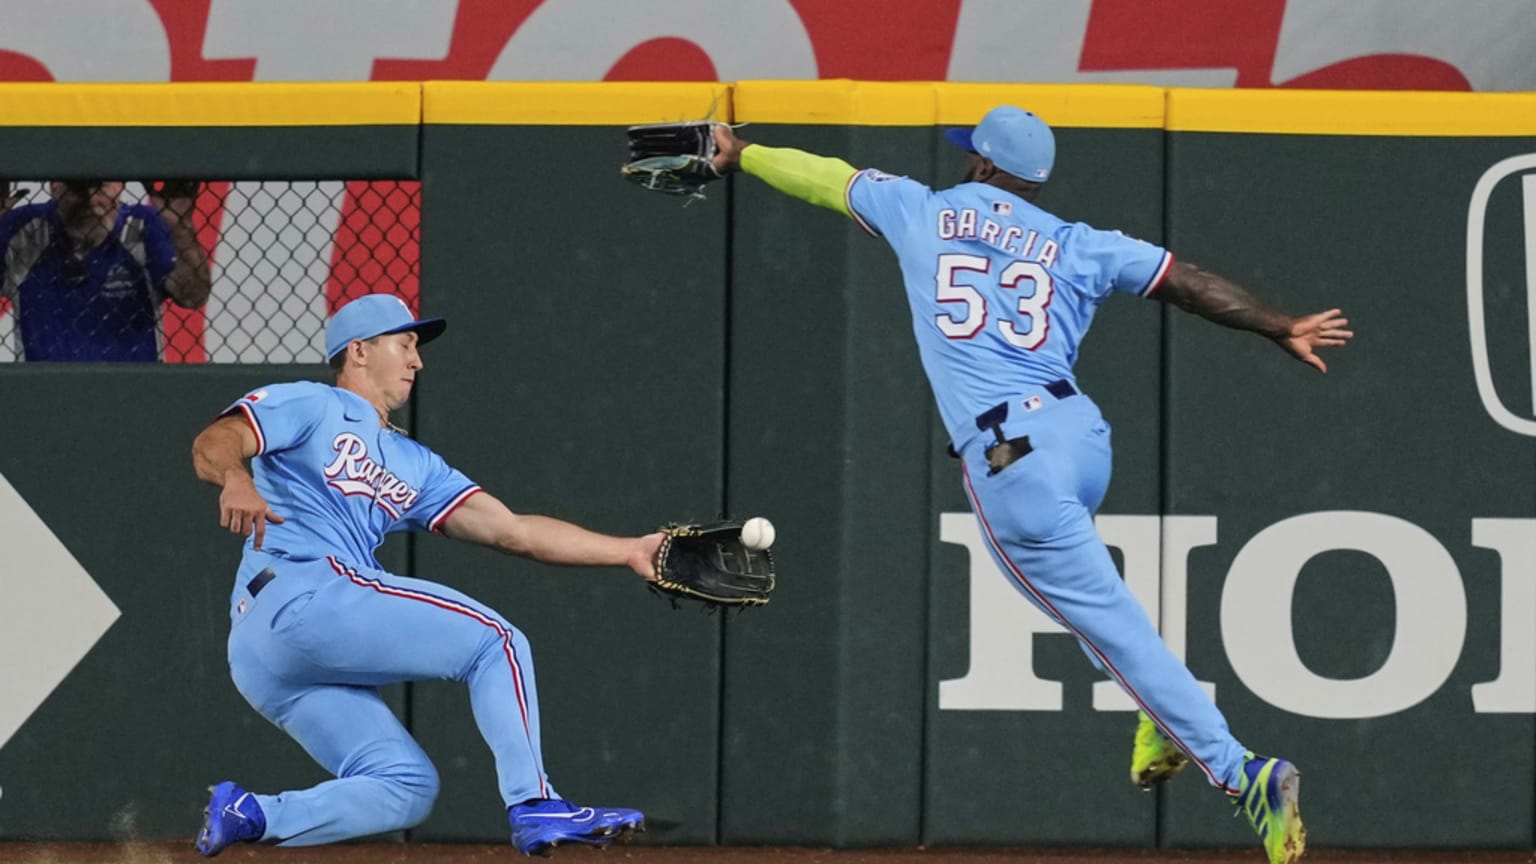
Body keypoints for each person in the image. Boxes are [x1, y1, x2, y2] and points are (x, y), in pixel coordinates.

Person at [708, 107, 1350, 864]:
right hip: (1083, 439)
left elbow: (824, 180)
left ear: (981, 165)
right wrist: (1280, 325)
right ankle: (1158, 717)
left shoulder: (924, 209)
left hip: (1013, 459)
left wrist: (741, 152)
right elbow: (1190, 283)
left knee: (1113, 625)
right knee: (1087, 603)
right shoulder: (1079, 243)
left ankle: (1243, 773)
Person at [189, 293, 659, 856]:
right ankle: (535, 803)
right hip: (301, 590)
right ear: (359, 351)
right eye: (405, 344)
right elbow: (214, 440)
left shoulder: (417, 465)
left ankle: (253, 814)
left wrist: (630, 550)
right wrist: (236, 479)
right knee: (496, 642)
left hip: (275, 655)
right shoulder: (315, 404)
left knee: (405, 787)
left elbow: (515, 532)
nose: (418, 361)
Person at [0, 179, 211, 361]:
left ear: (119, 185)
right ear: (55, 187)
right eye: (78, 189)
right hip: (45, 393)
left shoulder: (143, 225)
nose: (91, 202)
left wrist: (179, 228)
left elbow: (193, 296)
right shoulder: (25, 228)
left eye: (101, 187)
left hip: (135, 392)